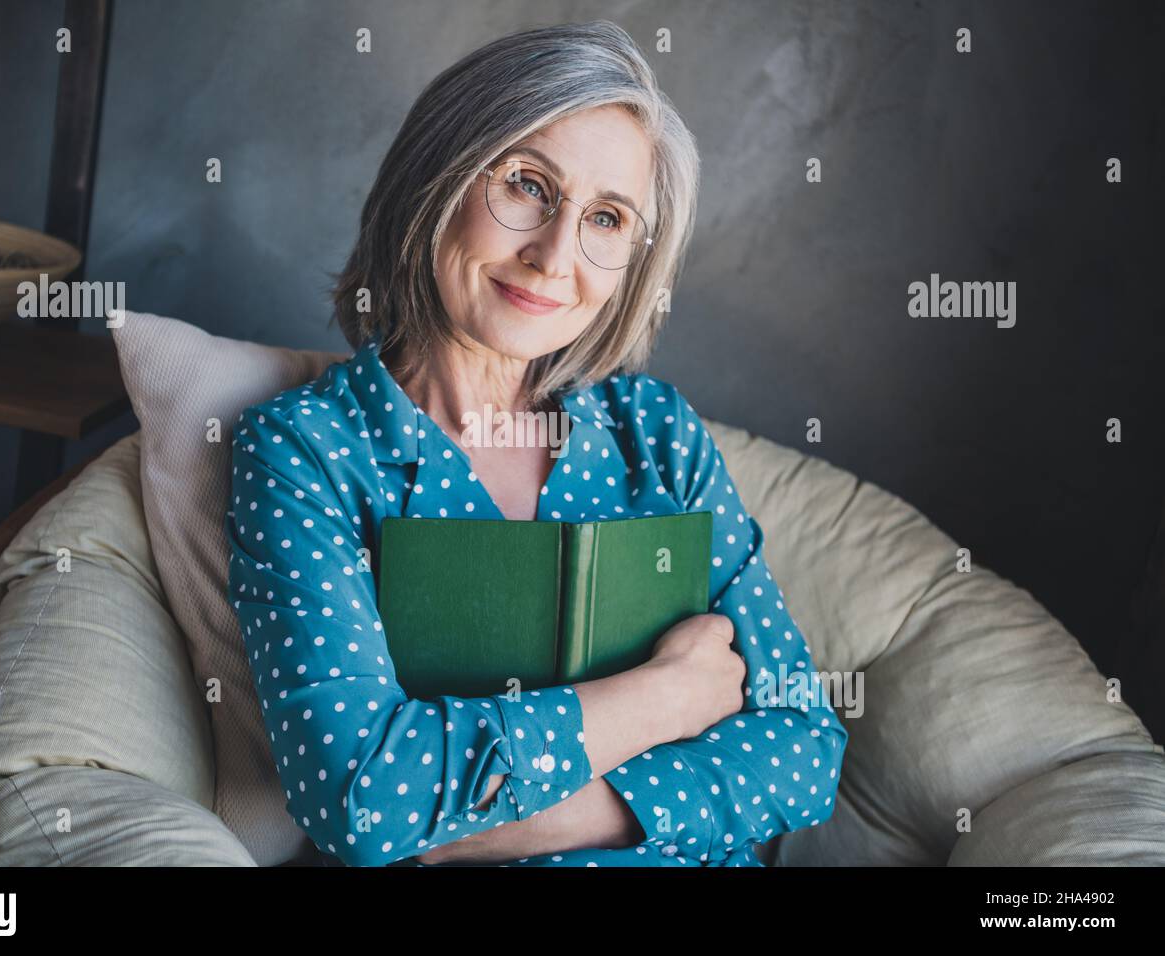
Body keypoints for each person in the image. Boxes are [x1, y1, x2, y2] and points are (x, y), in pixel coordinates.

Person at [225, 19, 847, 867]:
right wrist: (664, 699)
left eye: (606, 217)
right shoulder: (306, 452)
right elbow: (363, 799)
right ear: (434, 178)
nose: (556, 255)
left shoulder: (657, 435)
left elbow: (804, 750)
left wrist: (475, 830)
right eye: (525, 185)